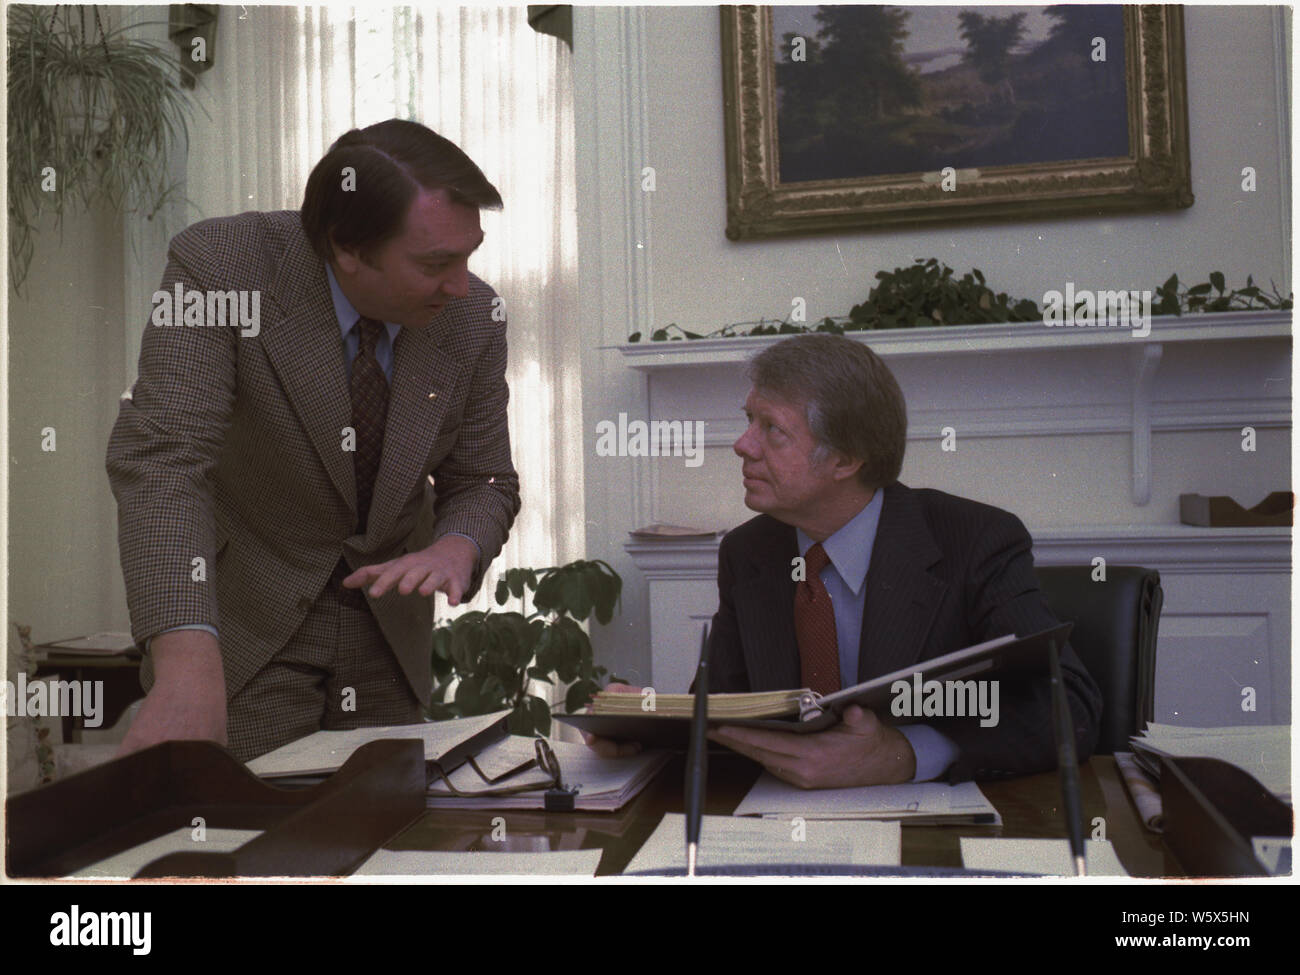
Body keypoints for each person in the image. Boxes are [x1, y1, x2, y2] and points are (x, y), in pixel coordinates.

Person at [107, 120, 521, 762]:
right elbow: (164, 460)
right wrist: (186, 657)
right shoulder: (221, 269)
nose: (462, 285)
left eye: (470, 255)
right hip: (244, 632)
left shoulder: (471, 318)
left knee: (383, 846)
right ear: (347, 248)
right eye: (437, 264)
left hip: (389, 641)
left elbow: (484, 480)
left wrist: (457, 544)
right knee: (235, 844)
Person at [590, 334, 1101, 787]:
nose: (741, 445)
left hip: (932, 837)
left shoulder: (976, 540)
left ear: (845, 459)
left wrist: (903, 755)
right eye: (749, 420)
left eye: (772, 429)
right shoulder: (749, 554)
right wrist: (645, 729)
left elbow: (1070, 707)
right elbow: (726, 712)